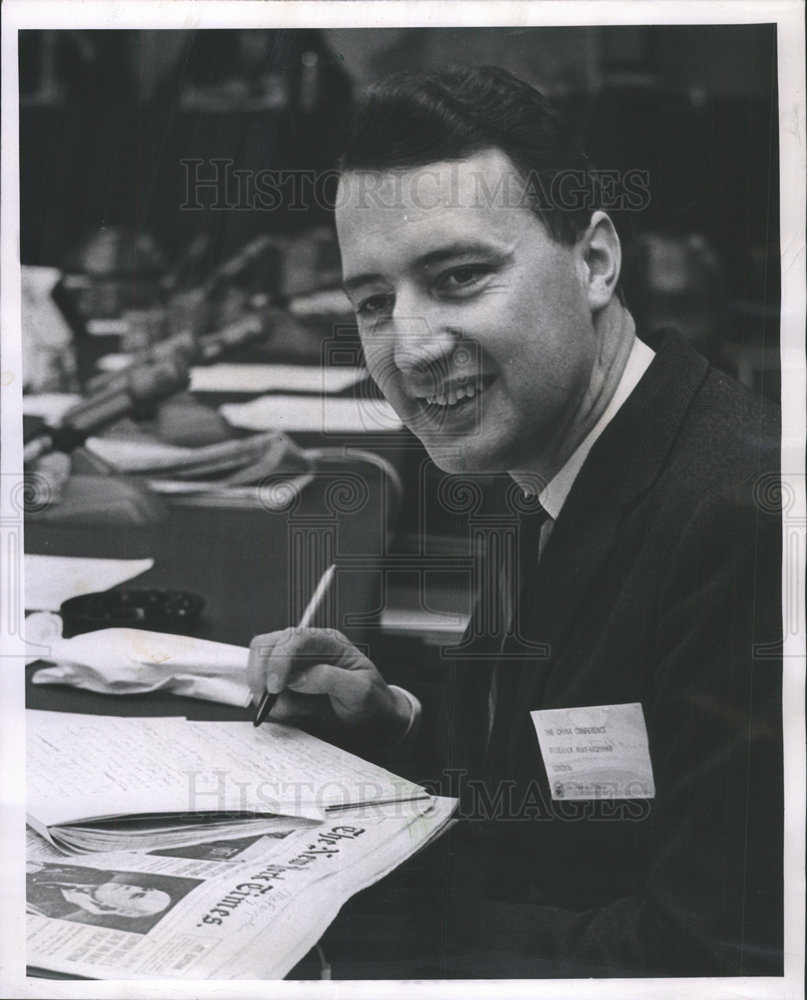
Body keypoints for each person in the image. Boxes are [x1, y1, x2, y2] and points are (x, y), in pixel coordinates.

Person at [247, 66, 783, 978]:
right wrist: (389, 724)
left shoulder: (745, 522)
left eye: (458, 277)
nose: (408, 348)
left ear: (595, 262)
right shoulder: (541, 452)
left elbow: (714, 958)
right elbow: (555, 797)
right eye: (373, 302)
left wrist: (349, 933)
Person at [27, 864, 171, 925]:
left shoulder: (53, 912)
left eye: (135, 896)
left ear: (122, 911)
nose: (131, 888)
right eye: (144, 888)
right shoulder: (98, 874)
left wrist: (69, 896)